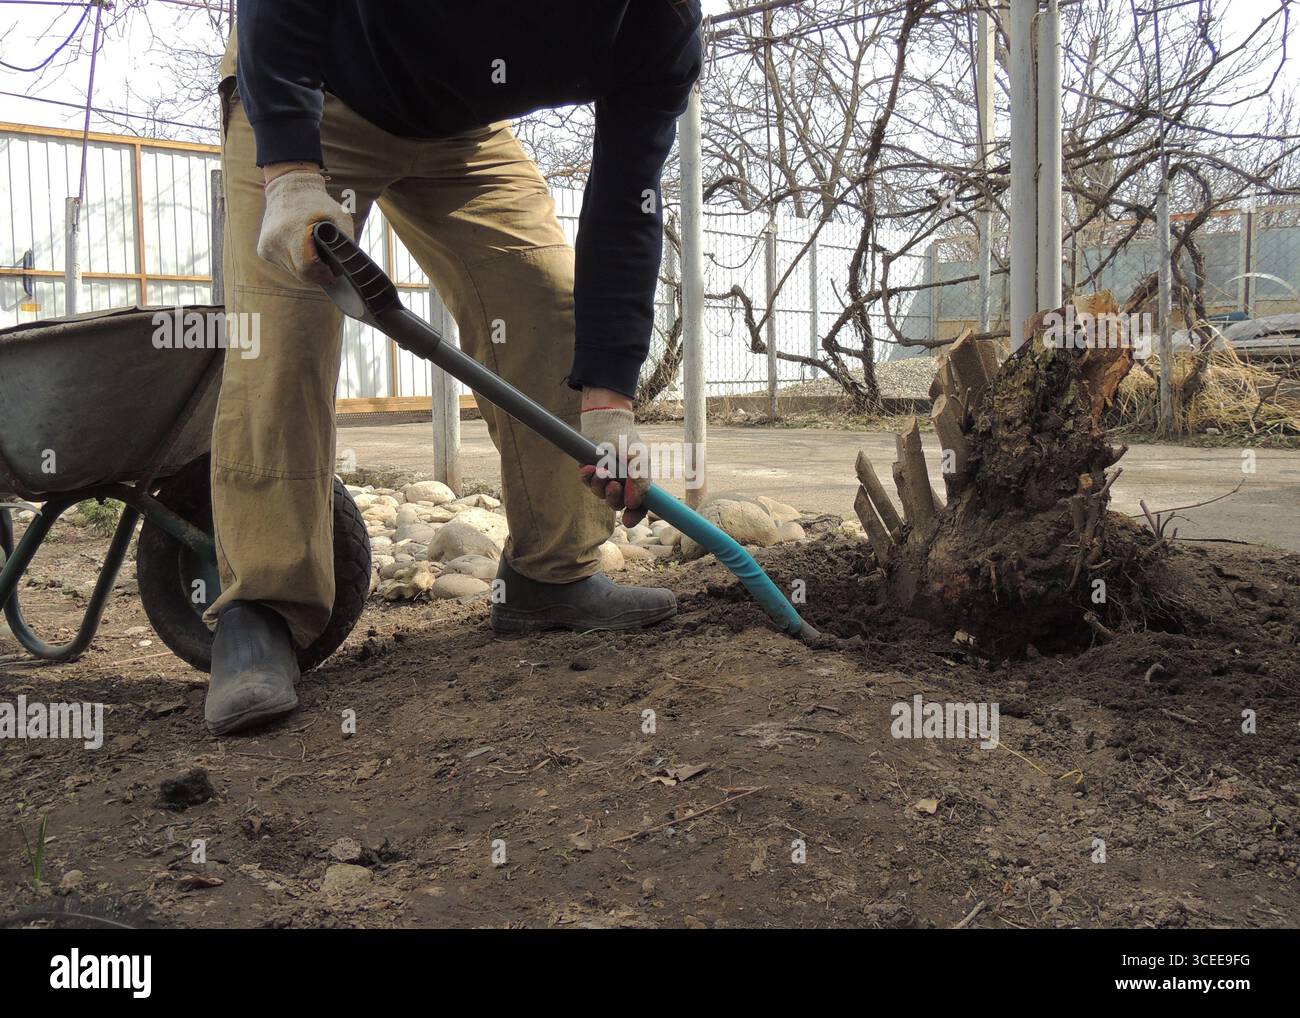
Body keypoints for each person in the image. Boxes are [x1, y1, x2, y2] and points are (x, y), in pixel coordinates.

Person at [203, 0, 703, 735]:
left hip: (462, 128)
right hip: (316, 82)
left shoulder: (660, 25)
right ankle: (261, 609)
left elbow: (627, 204)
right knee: (284, 335)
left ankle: (551, 576)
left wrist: (610, 400)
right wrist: (288, 170)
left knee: (547, 306)